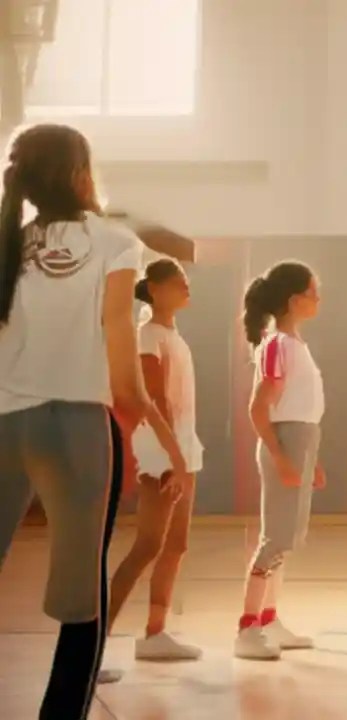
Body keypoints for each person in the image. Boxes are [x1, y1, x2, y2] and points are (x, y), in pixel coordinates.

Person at [0, 124, 188, 719]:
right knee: (82, 596)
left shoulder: (7, 242)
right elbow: (123, 367)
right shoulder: (114, 242)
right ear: (83, 175)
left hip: (4, 423)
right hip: (76, 427)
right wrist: (164, 440)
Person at [104, 259, 204, 669]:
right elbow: (154, 403)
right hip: (161, 456)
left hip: (184, 453)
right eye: (179, 282)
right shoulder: (146, 337)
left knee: (175, 545)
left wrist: (185, 456)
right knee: (147, 546)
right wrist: (171, 459)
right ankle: (94, 645)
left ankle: (155, 633)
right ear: (156, 289)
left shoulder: (174, 337)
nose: (186, 287)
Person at [236, 261, 325, 661]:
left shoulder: (296, 345)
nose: (318, 300)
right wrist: (281, 456)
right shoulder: (276, 345)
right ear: (294, 300)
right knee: (273, 538)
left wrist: (310, 460)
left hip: (300, 442)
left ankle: (269, 619)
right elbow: (259, 408)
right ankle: (247, 627)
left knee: (286, 539)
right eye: (313, 293)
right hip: (284, 444)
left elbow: (302, 406)